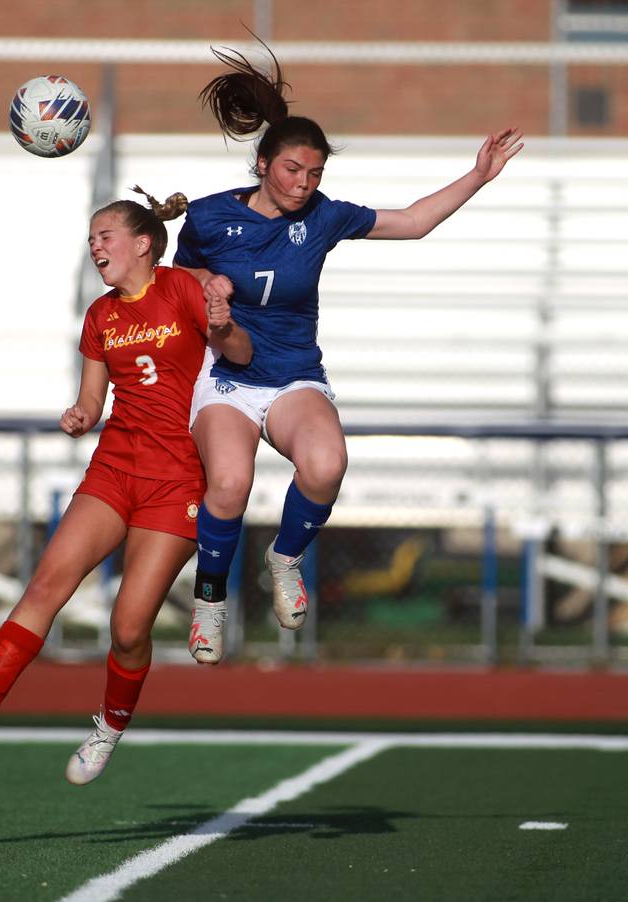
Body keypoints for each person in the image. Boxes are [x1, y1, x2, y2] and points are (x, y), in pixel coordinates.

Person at [174, 41, 524, 664]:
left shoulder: (326, 217)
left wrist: (478, 174)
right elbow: (177, 286)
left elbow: (413, 222)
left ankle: (284, 560)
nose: (303, 184)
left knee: (328, 465)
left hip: (292, 376)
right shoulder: (205, 219)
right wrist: (205, 284)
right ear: (261, 164)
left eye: (314, 173)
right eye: (291, 170)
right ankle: (209, 602)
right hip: (227, 376)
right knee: (228, 483)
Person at [0, 190, 252, 785]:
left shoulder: (183, 287)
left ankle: (109, 725)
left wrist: (225, 324)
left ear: (143, 244)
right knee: (48, 582)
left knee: (129, 627)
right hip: (114, 469)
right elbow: (90, 402)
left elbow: (242, 352)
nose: (96, 246)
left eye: (106, 236)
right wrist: (79, 417)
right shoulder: (101, 315)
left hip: (177, 478)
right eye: (91, 239)